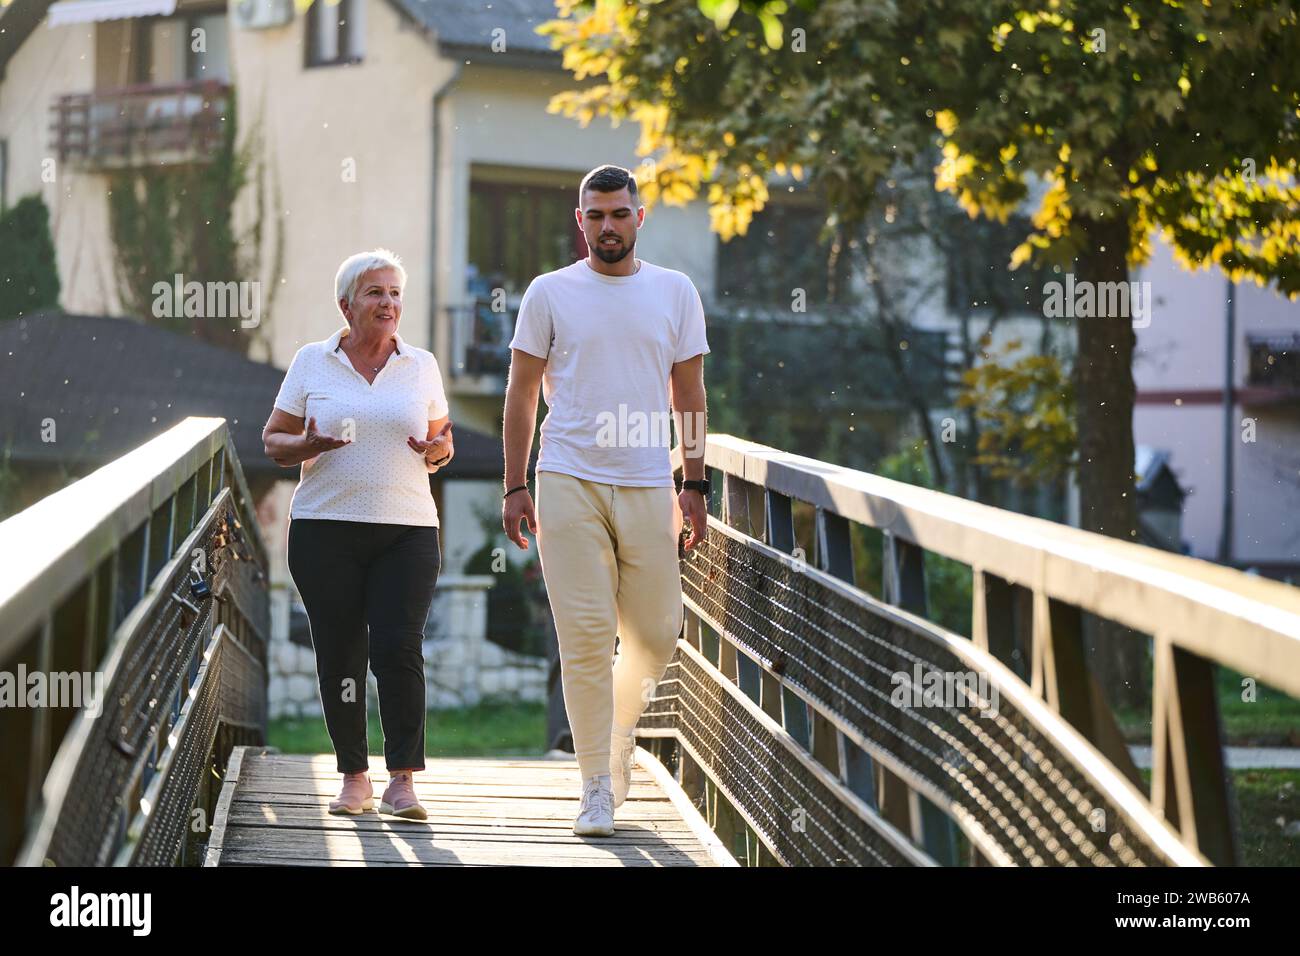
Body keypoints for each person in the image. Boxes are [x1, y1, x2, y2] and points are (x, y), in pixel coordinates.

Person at [502, 165, 710, 836]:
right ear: (580, 220)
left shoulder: (674, 292)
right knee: (586, 638)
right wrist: (516, 483)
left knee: (657, 634)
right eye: (596, 215)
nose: (608, 226)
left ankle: (617, 738)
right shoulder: (550, 293)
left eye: (619, 214)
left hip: (651, 481)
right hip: (567, 480)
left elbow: (690, 397)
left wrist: (696, 483)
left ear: (638, 218)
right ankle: (595, 783)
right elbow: (522, 395)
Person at [262, 248, 453, 821]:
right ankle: (354, 776)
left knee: (398, 647)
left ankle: (403, 781)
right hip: (325, 528)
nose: (388, 303)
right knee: (340, 652)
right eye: (375, 293)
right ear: (346, 304)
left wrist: (437, 452)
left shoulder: (421, 365)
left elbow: (443, 441)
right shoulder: (311, 362)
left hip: (407, 529)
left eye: (395, 293)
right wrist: (310, 446)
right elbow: (273, 441)